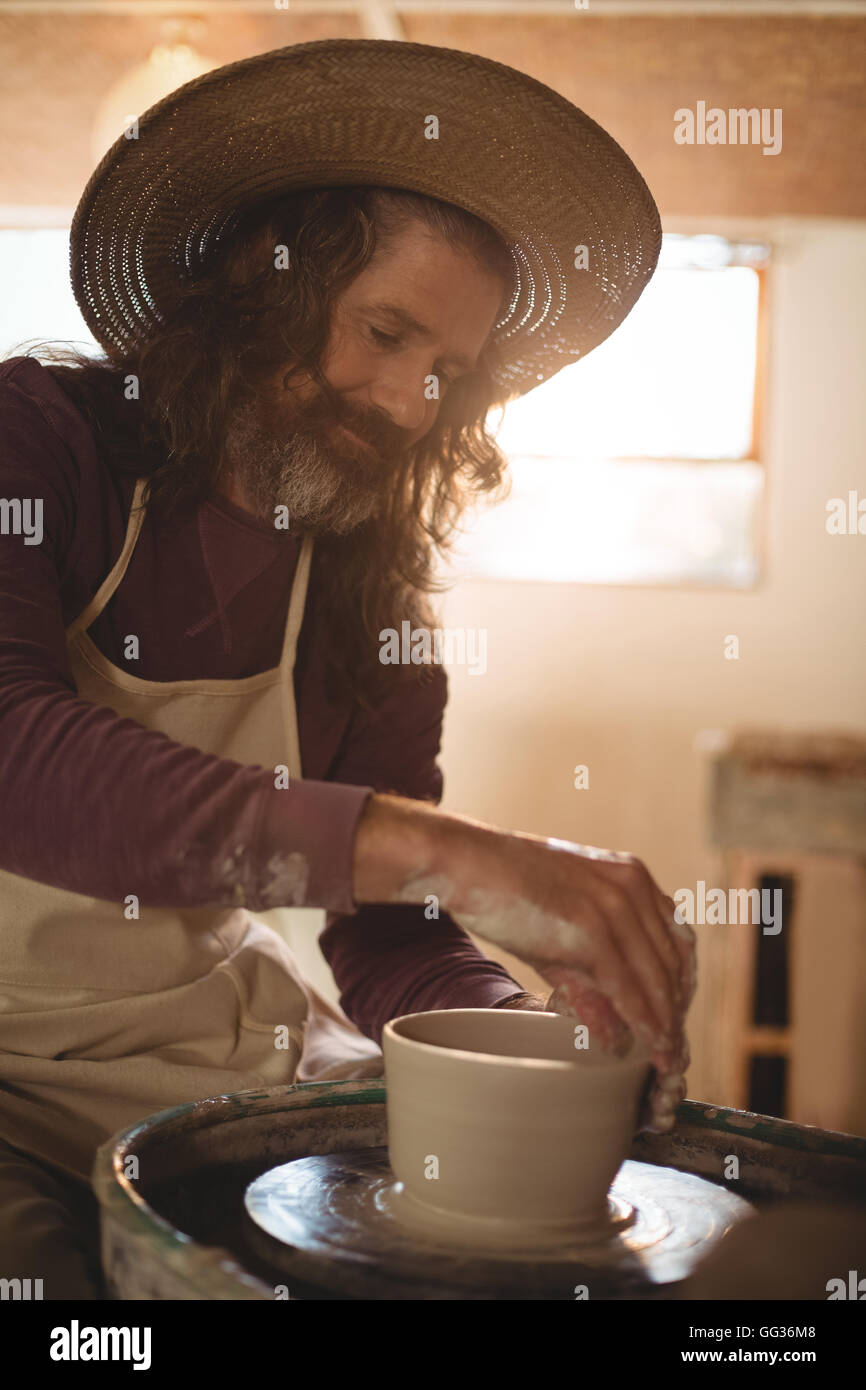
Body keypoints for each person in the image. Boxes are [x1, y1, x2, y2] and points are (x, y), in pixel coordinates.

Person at [0, 38, 693, 1299]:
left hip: (212, 1053)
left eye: (448, 370)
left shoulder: (367, 581)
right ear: (257, 291)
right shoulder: (37, 445)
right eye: (385, 332)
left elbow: (385, 928)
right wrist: (451, 847)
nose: (409, 403)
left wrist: (519, 1033)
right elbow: (16, 758)